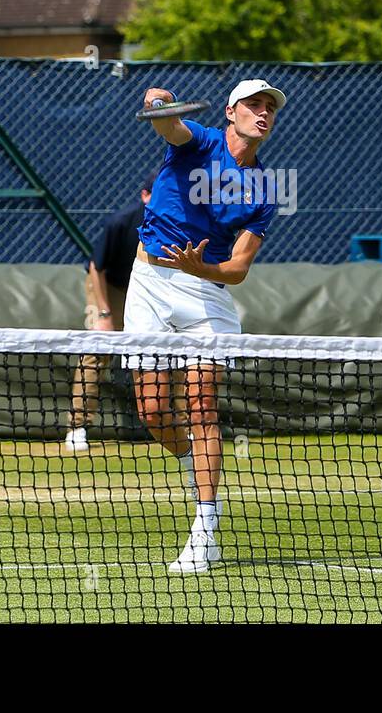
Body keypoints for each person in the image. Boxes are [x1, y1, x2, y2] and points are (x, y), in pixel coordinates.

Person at [126, 78, 286, 573]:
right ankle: (198, 469)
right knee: (154, 412)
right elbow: (168, 122)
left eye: (270, 109)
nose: (263, 114)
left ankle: (205, 527)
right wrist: (156, 100)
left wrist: (203, 270)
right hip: (148, 280)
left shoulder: (266, 189)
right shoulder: (200, 140)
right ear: (232, 112)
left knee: (200, 405)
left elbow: (238, 269)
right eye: (254, 105)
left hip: (207, 294)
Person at [64, 171, 158, 451]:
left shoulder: (176, 220)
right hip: (110, 286)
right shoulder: (120, 222)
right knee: (96, 351)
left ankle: (177, 423)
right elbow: (96, 267)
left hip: (148, 287)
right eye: (158, 193)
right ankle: (77, 426)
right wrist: (104, 313)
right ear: (145, 196)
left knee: (170, 351)